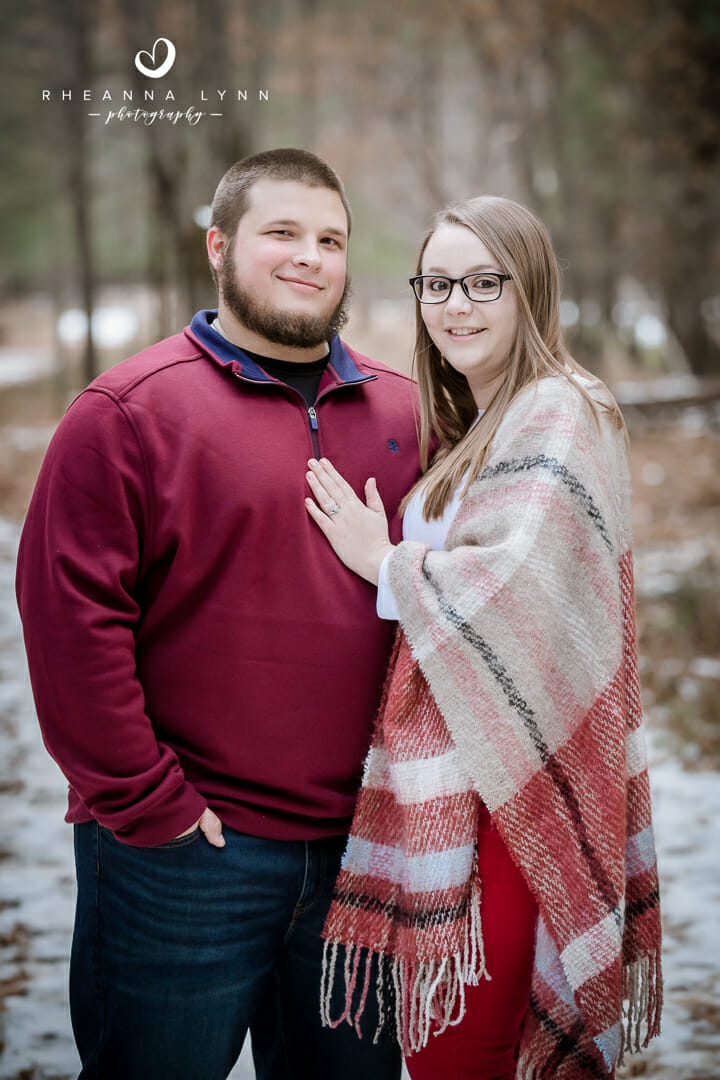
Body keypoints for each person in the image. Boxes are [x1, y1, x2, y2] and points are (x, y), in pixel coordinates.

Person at [15, 148, 423, 1080]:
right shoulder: (125, 413)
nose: (309, 257)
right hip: (186, 856)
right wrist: (148, 805)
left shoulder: (405, 413)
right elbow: (70, 624)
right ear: (218, 245)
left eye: (330, 239)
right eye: (282, 232)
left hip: (363, 861)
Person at [304, 195, 663, 1080]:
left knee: (462, 1053)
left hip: (514, 789)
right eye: (436, 282)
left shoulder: (560, 408)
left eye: (481, 282)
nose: (454, 304)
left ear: (528, 287)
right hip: (463, 784)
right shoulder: (482, 419)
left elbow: (509, 591)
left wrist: (380, 559)